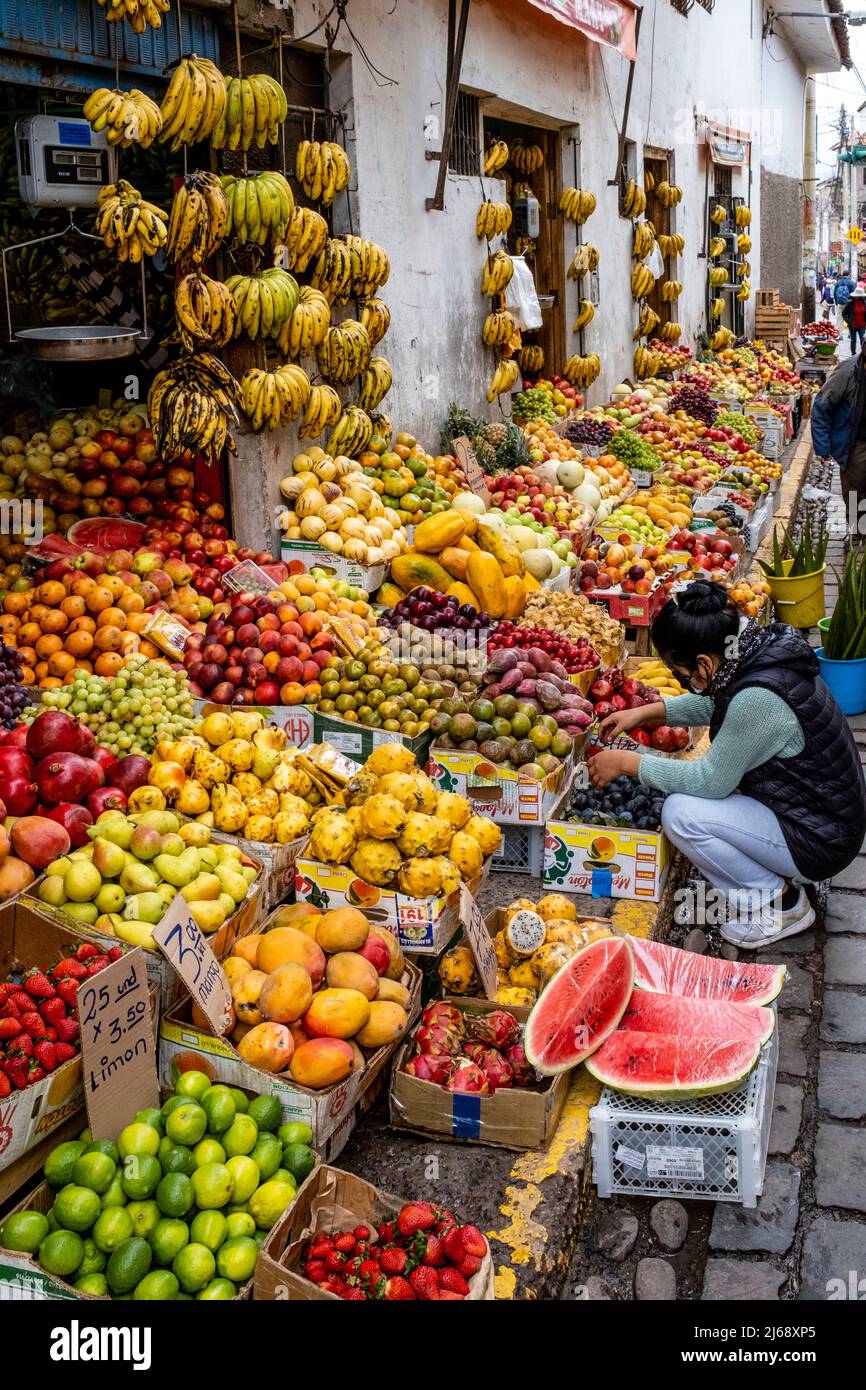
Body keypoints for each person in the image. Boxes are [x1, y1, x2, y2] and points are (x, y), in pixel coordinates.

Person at [588, 582, 866, 948]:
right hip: (816, 816)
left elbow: (710, 781)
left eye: (682, 673)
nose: (684, 681)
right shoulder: (756, 655)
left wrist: (629, 762)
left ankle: (781, 904)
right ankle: (779, 882)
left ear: (704, 662)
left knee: (681, 814)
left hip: (821, 841)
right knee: (697, 803)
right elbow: (718, 706)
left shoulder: (758, 697)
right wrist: (645, 713)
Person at [811, 337, 866, 530]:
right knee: (855, 487)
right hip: (856, 440)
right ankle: (858, 529)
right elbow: (822, 406)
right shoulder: (847, 371)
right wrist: (823, 445)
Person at [843, 284, 866, 354]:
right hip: (853, 325)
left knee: (863, 340)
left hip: (862, 325)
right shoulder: (850, 302)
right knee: (853, 340)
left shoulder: (864, 302)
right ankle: (853, 354)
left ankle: (863, 354)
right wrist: (848, 321)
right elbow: (844, 313)